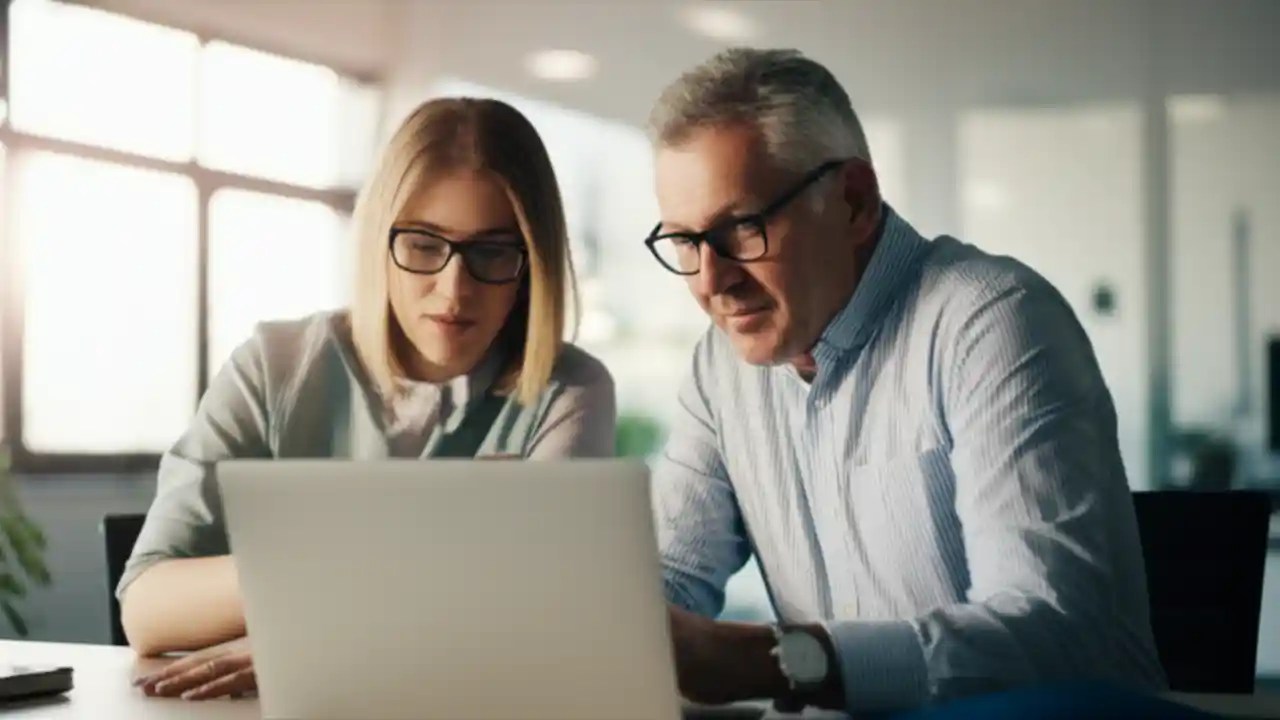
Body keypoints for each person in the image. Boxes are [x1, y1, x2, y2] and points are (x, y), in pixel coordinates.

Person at [646, 48, 1166, 715]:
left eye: (741, 228)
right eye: (685, 242)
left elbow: (1053, 632)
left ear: (855, 202)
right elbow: (671, 581)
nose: (710, 282)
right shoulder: (720, 369)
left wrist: (771, 661)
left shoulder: (991, 321)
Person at [123, 97, 615, 700]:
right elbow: (147, 608)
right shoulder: (273, 367)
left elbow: (531, 617)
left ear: (531, 262)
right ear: (380, 239)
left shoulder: (568, 390)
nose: (454, 288)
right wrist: (347, 597)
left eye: (492, 252)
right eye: (424, 244)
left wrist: (321, 633)